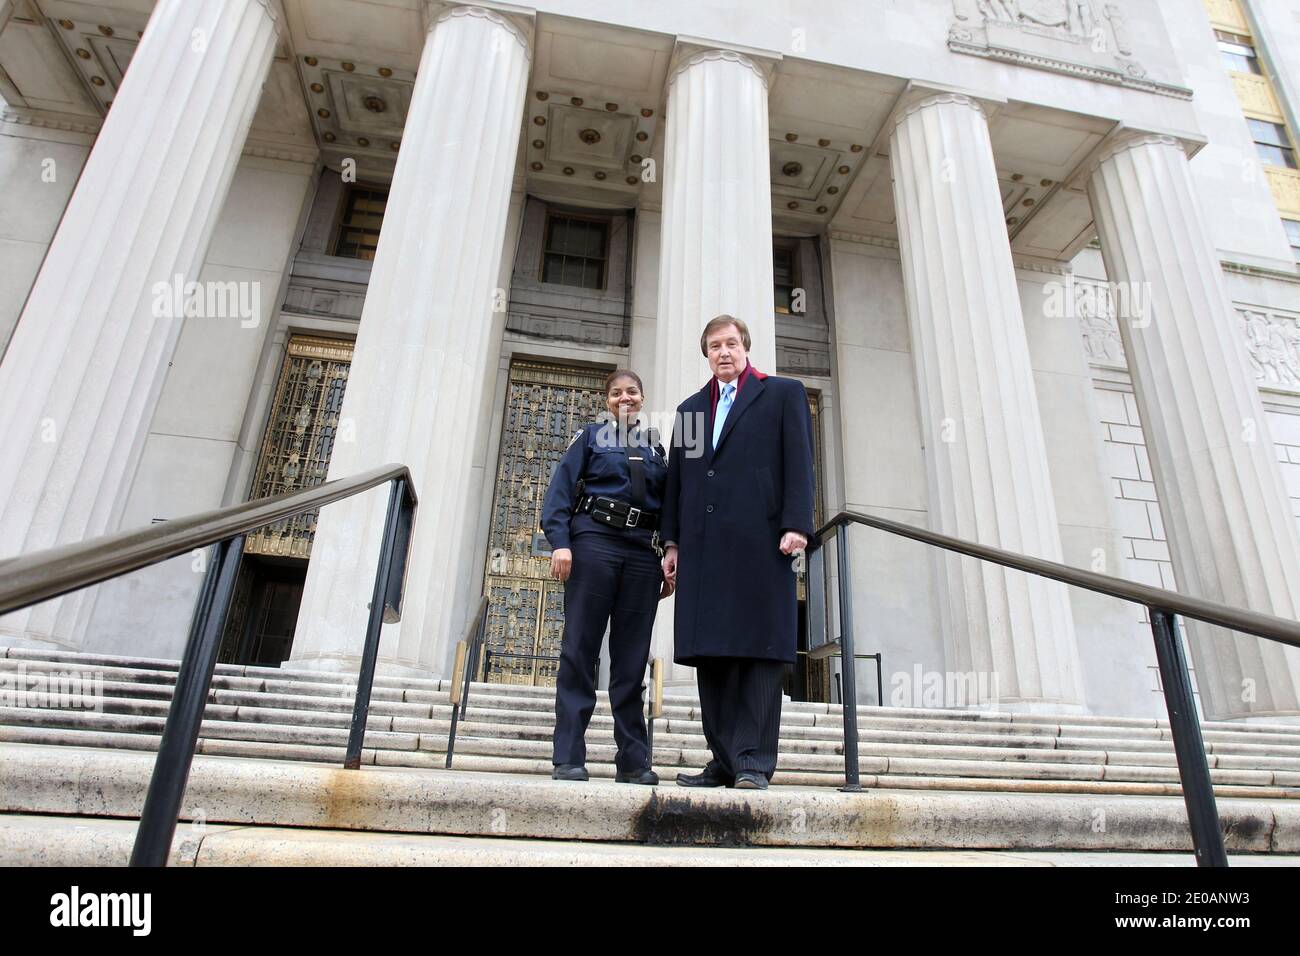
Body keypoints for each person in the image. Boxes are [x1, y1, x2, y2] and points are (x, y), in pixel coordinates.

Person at [660, 315, 815, 790]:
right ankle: (724, 759)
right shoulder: (689, 411)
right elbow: (677, 480)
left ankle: (753, 761)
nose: (723, 352)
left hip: (762, 543)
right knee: (714, 657)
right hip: (704, 549)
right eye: (714, 346)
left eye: (730, 343)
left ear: (745, 347)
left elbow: (799, 463)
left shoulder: (783, 394)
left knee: (758, 653)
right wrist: (671, 542)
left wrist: (796, 525)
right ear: (706, 354)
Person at [540, 369, 672, 785]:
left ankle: (633, 762)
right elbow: (559, 491)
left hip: (640, 554)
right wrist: (560, 542)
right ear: (607, 400)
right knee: (580, 651)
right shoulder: (590, 437)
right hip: (594, 542)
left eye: (632, 391)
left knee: (632, 661)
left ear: (642, 397)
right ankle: (569, 757)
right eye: (616, 393)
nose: (624, 398)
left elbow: (669, 505)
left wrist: (669, 553)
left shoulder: (656, 448)